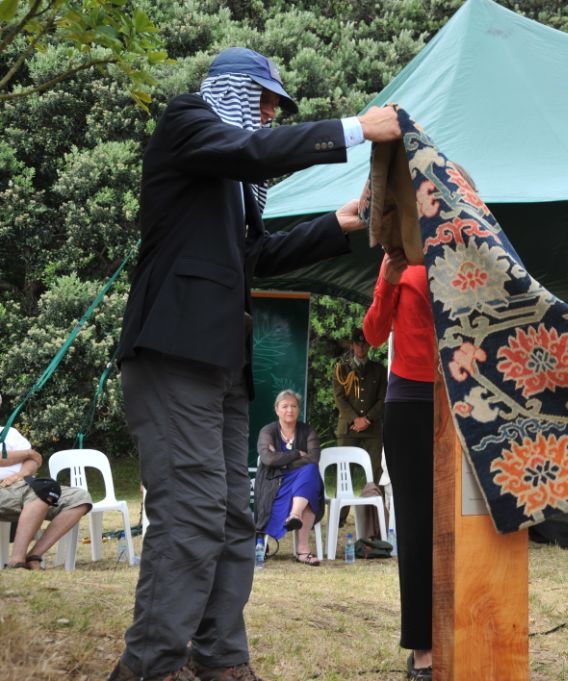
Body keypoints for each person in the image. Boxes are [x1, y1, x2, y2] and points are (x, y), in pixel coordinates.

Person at [108, 46, 401, 681]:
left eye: (276, 105)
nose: (270, 113)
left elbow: (256, 256)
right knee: (188, 515)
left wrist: (339, 223)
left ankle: (219, 661)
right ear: (229, 91)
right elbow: (253, 151)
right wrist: (357, 129)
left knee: (233, 516)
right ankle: (151, 667)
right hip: (173, 356)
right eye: (263, 99)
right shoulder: (185, 123)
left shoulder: (234, 188)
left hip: (222, 367)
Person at [363, 250, 435, 681]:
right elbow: (373, 334)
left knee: (461, 527)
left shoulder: (467, 241)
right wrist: (388, 280)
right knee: (414, 527)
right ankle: (422, 649)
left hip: (461, 399)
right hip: (409, 400)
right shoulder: (397, 256)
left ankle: (459, 631)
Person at [1, 395, 93, 570]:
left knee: (79, 498)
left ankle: (34, 555)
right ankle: (16, 560)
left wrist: (20, 474)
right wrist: (27, 453)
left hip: (23, 485)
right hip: (5, 491)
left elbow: (35, 461)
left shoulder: (9, 433)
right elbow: (30, 454)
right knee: (41, 491)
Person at [254, 390, 324, 564]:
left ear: (298, 410)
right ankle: (301, 548)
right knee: (308, 476)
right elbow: (268, 459)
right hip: (274, 481)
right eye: (285, 406)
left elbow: (313, 458)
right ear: (277, 409)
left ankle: (295, 518)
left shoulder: (307, 431)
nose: (289, 410)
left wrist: (282, 460)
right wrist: (296, 454)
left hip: (303, 478)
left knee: (310, 472)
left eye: (293, 406)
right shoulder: (267, 431)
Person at [333, 327, 387, 484]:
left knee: (375, 475)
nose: (361, 347)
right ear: (352, 345)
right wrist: (355, 419)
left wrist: (367, 419)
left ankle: (374, 508)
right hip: (348, 429)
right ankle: (341, 509)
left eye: (364, 344)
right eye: (357, 344)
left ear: (369, 345)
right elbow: (339, 398)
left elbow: (383, 399)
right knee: (344, 477)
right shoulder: (341, 370)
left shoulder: (379, 370)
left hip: (372, 429)